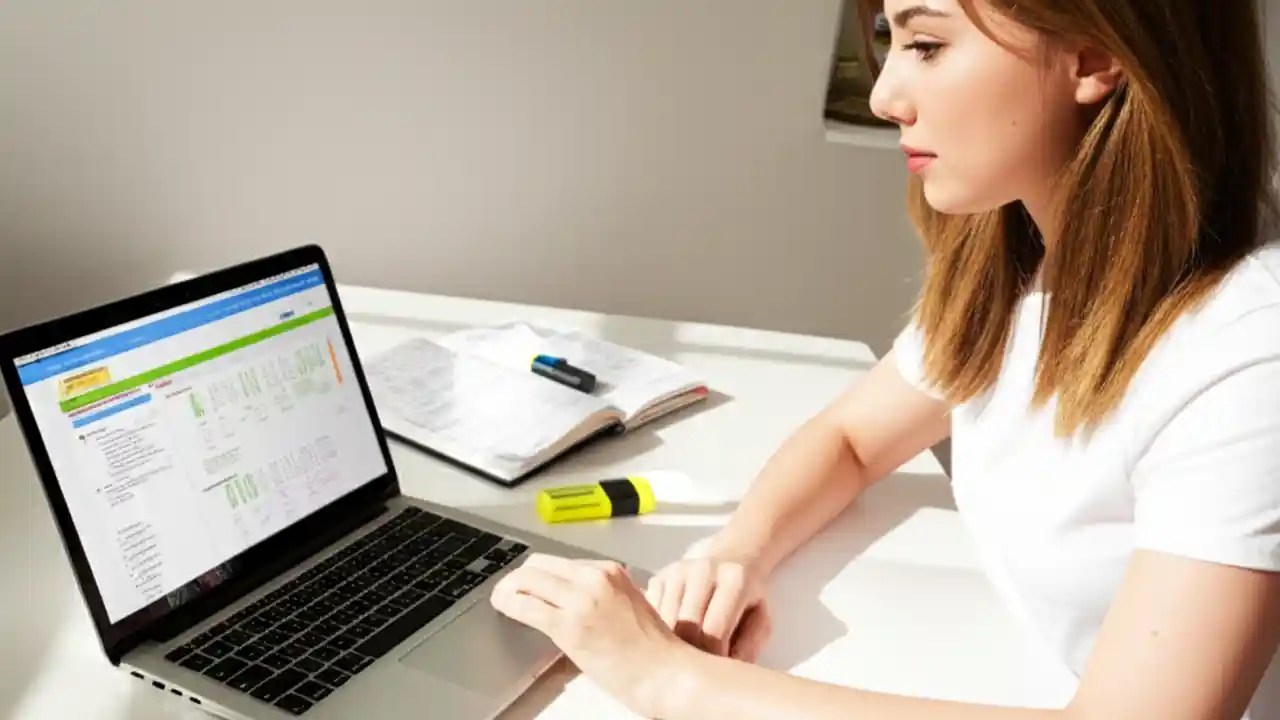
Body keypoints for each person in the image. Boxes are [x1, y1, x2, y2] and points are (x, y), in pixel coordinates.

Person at [489, 0, 1280, 716]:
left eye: (928, 44)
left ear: (1096, 56)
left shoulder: (1247, 355)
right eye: (886, 40)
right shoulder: (1019, 260)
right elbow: (853, 439)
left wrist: (668, 679)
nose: (883, 96)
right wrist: (739, 552)